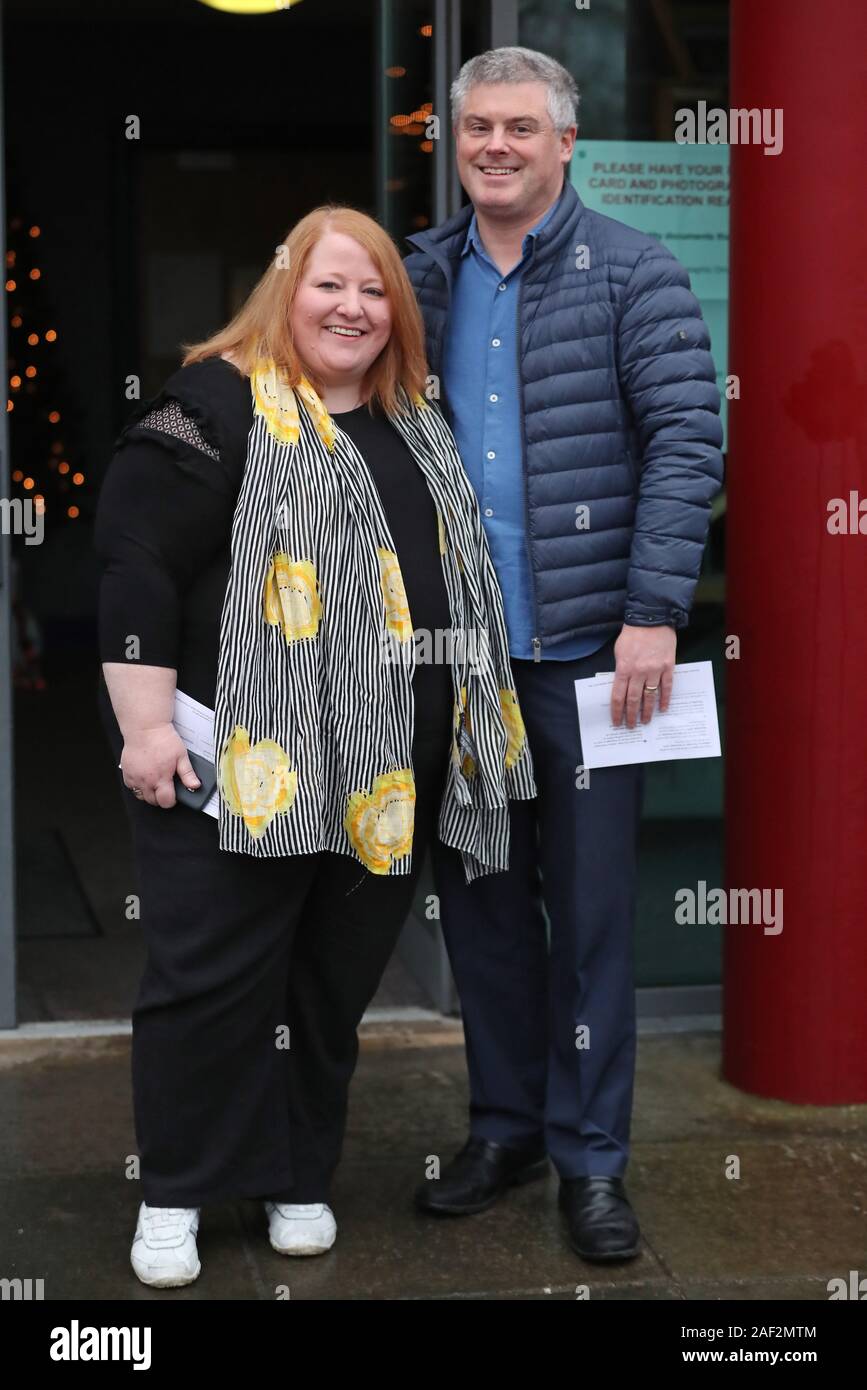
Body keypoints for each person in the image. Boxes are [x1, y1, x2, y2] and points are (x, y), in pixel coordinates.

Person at [94, 204, 535, 1288]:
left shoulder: (414, 419)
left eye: (375, 289)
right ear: (284, 292)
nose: (353, 307)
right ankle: (175, 1195)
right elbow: (136, 563)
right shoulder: (216, 405)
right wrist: (144, 728)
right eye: (330, 285)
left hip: (383, 776)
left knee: (326, 991)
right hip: (232, 770)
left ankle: (297, 1175)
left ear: (400, 311)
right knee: (210, 984)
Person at [405, 47, 724, 1261]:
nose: (495, 145)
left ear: (565, 144)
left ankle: (592, 1161)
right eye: (478, 126)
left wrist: (653, 609)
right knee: (482, 907)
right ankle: (505, 1126)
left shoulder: (632, 270)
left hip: (594, 654)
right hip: (461, 664)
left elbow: (689, 439)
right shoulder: (419, 274)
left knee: (589, 918)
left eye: (520, 128)